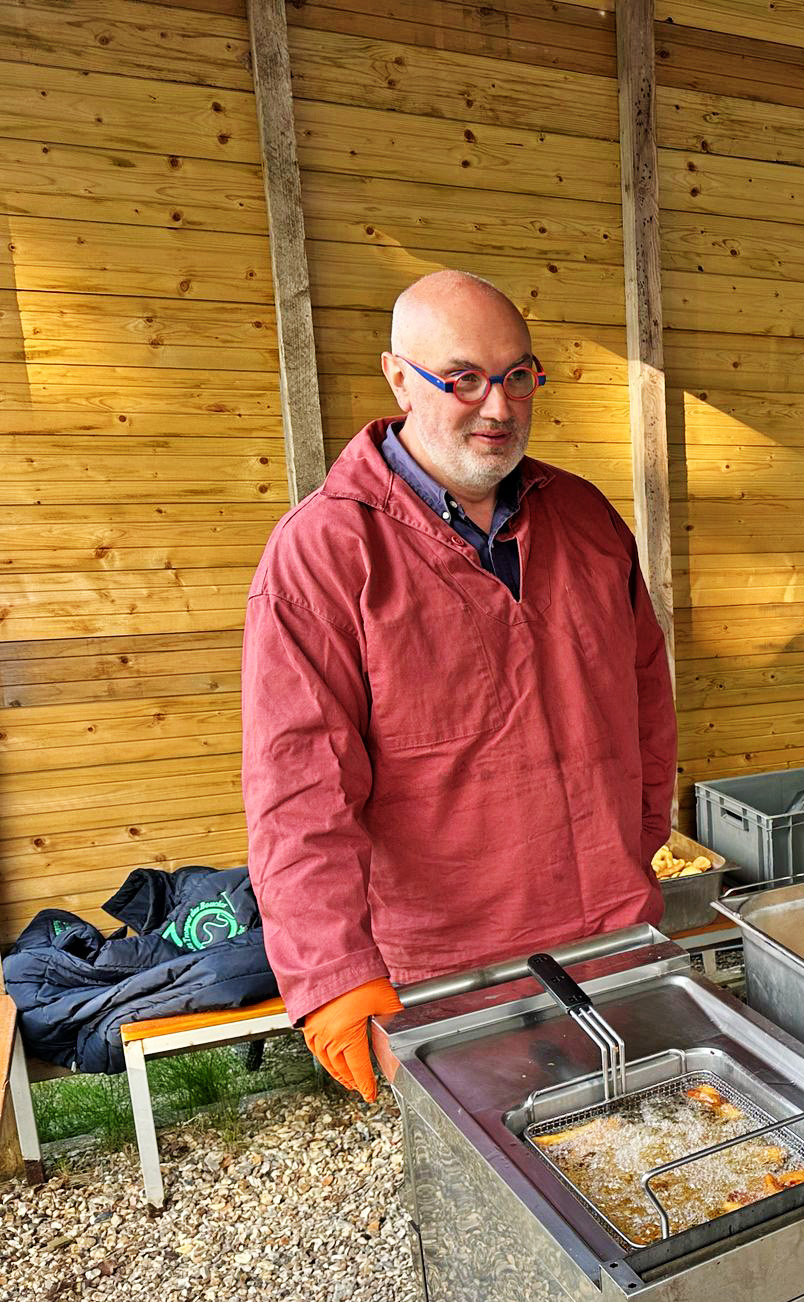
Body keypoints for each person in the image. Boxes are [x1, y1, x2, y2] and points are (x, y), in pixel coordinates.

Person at [241, 270, 677, 1103]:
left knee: (641, 1157)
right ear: (399, 377)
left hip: (612, 930)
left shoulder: (587, 519)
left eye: (518, 375)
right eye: (465, 378)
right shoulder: (325, 555)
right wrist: (332, 973)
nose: (499, 406)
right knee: (496, 1200)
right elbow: (298, 786)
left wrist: (639, 833)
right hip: (447, 966)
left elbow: (646, 701)